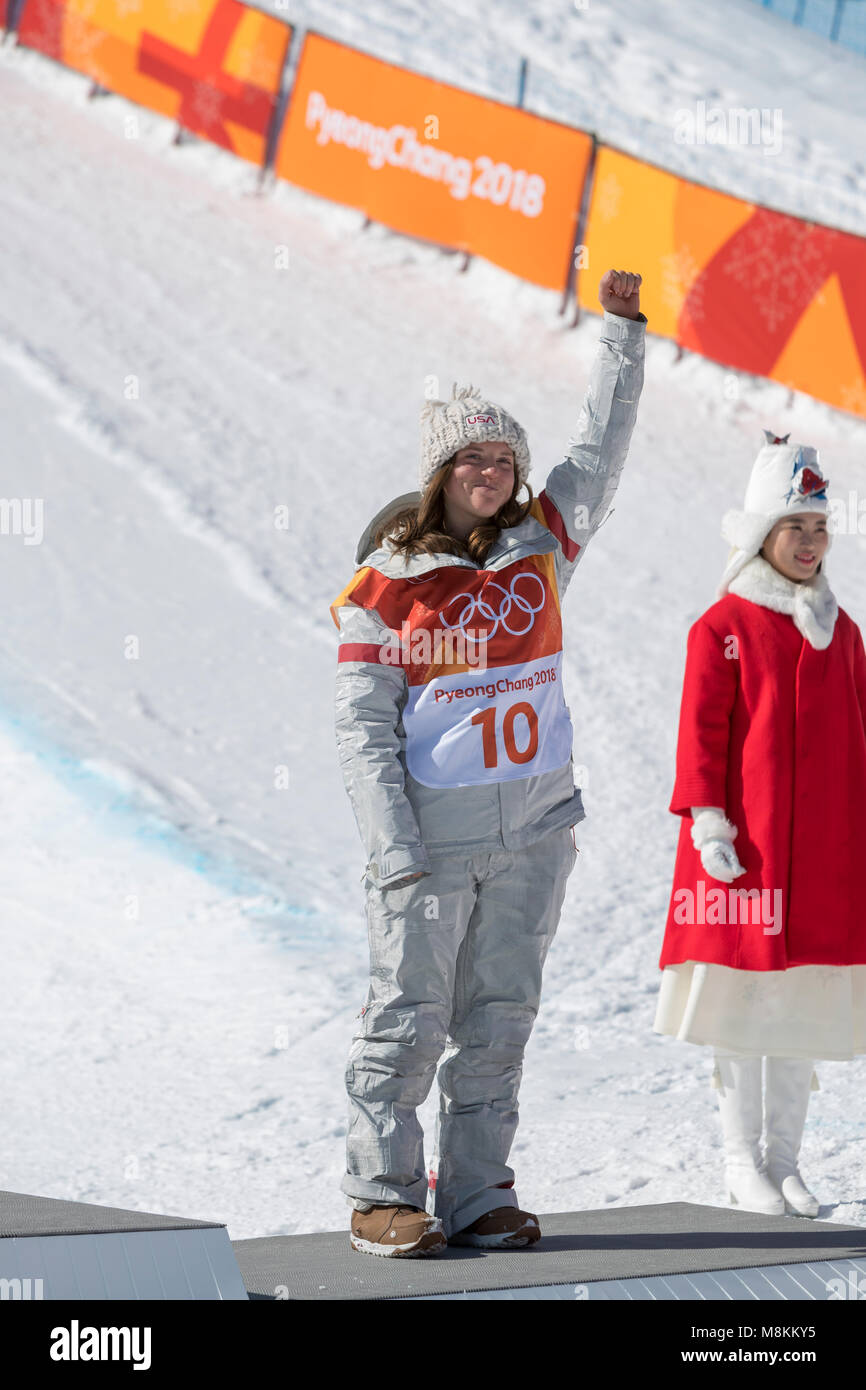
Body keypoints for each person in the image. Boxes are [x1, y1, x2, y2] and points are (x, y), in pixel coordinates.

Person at [330, 269, 646, 1256]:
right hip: (431, 841)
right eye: (471, 455)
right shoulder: (384, 587)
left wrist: (623, 333)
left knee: (499, 1020)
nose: (492, 469)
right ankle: (384, 1191)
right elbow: (359, 729)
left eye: (503, 455)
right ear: (438, 471)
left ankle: (475, 1191)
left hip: (534, 836)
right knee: (409, 1018)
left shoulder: (541, 550)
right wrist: (392, 848)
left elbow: (600, 451)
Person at [654, 432, 866, 1218]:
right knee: (743, 1009)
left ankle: (785, 1161)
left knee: (803, 1008)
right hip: (743, 858)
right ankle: (742, 1161)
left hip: (822, 861)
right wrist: (708, 824)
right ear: (759, 535)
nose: (809, 544)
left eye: (819, 528)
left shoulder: (841, 631)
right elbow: (700, 734)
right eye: (793, 528)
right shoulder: (723, 627)